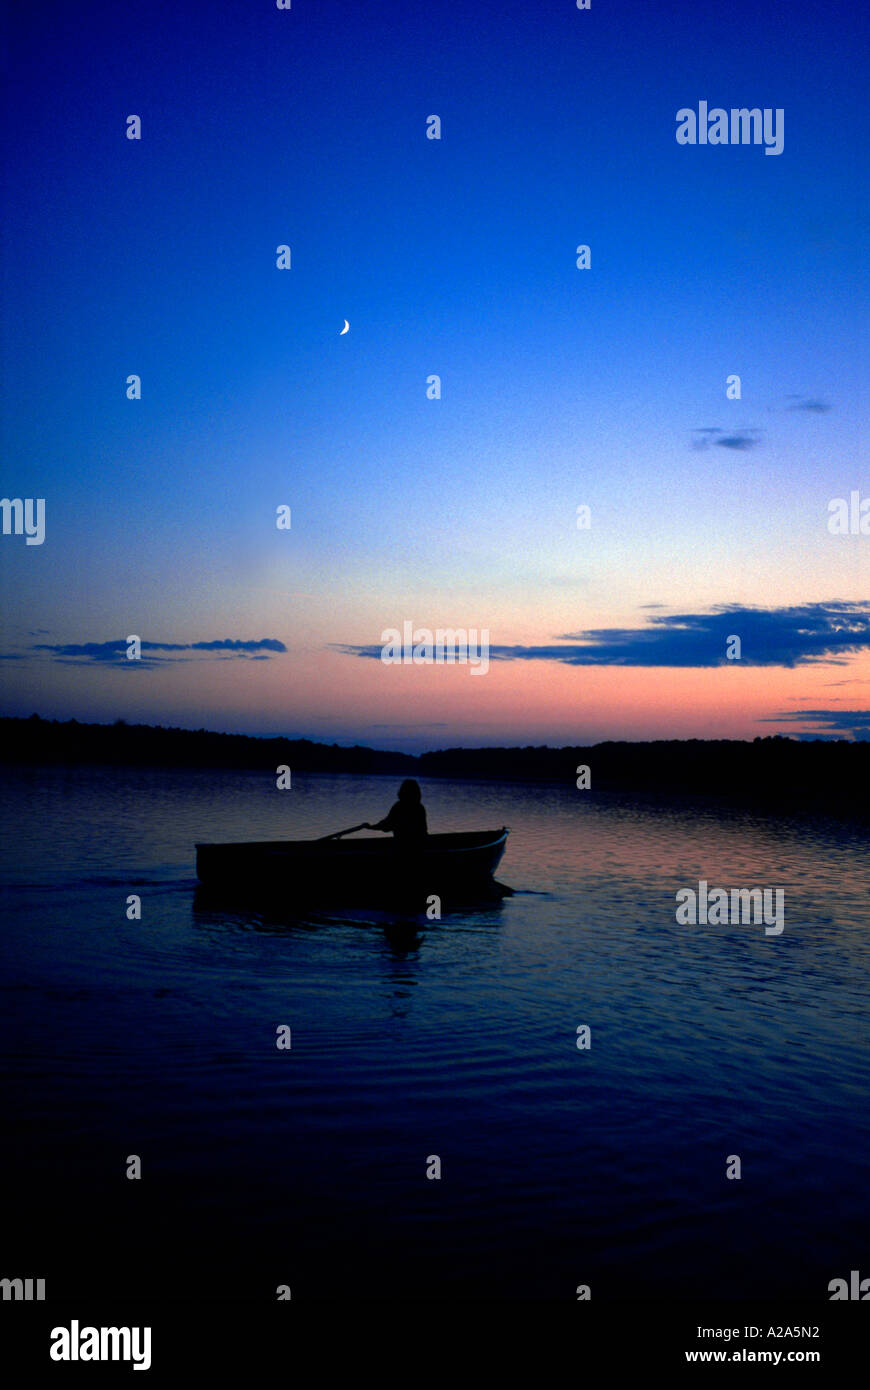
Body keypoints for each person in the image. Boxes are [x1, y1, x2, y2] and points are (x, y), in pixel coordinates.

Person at [366, 779, 428, 845]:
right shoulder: (420, 807)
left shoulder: (399, 807)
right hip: (421, 844)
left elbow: (387, 825)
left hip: (402, 844)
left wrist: (370, 827)